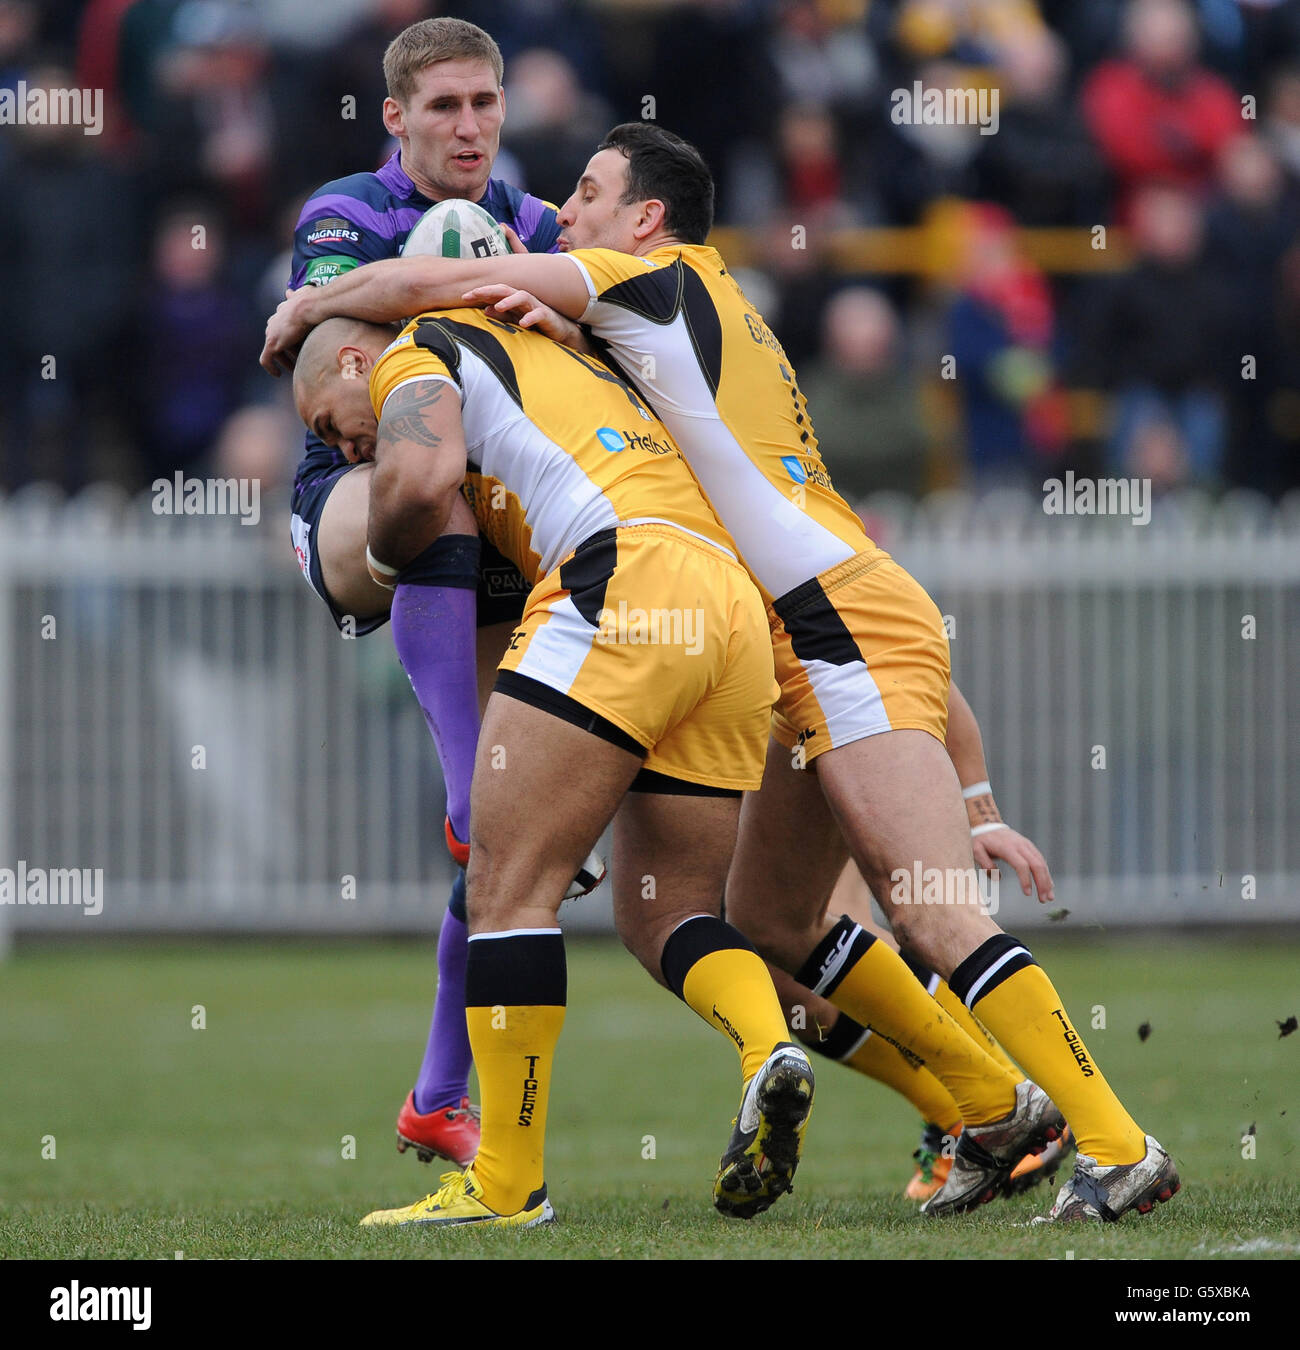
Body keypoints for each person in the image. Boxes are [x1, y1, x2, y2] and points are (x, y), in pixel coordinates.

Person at [262, 123, 1179, 1224]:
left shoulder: (643, 277)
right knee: (761, 914)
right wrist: (970, 789)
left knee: (930, 913)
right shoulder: (660, 321)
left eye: (590, 193)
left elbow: (444, 285)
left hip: (804, 615)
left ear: (644, 218)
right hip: (783, 616)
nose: (568, 210)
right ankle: (994, 1108)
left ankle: (1117, 1143)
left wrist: (313, 306)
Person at [291, 307, 815, 1227]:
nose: (345, 444)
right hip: (728, 606)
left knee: (503, 882)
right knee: (670, 912)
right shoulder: (567, 347)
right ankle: (770, 1049)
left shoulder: (413, 356)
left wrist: (376, 563)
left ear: (350, 356)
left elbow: (418, 481)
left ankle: (504, 1185)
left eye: (334, 423)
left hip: (620, 573)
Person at [284, 16, 569, 1176]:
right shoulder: (342, 209)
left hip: (502, 544)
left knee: (519, 851)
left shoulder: (542, 216)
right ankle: (464, 791)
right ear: (395, 118)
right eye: (442, 107)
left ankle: (438, 1096)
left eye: (483, 104)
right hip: (354, 507)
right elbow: (336, 381)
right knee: (428, 475)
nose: (468, 126)